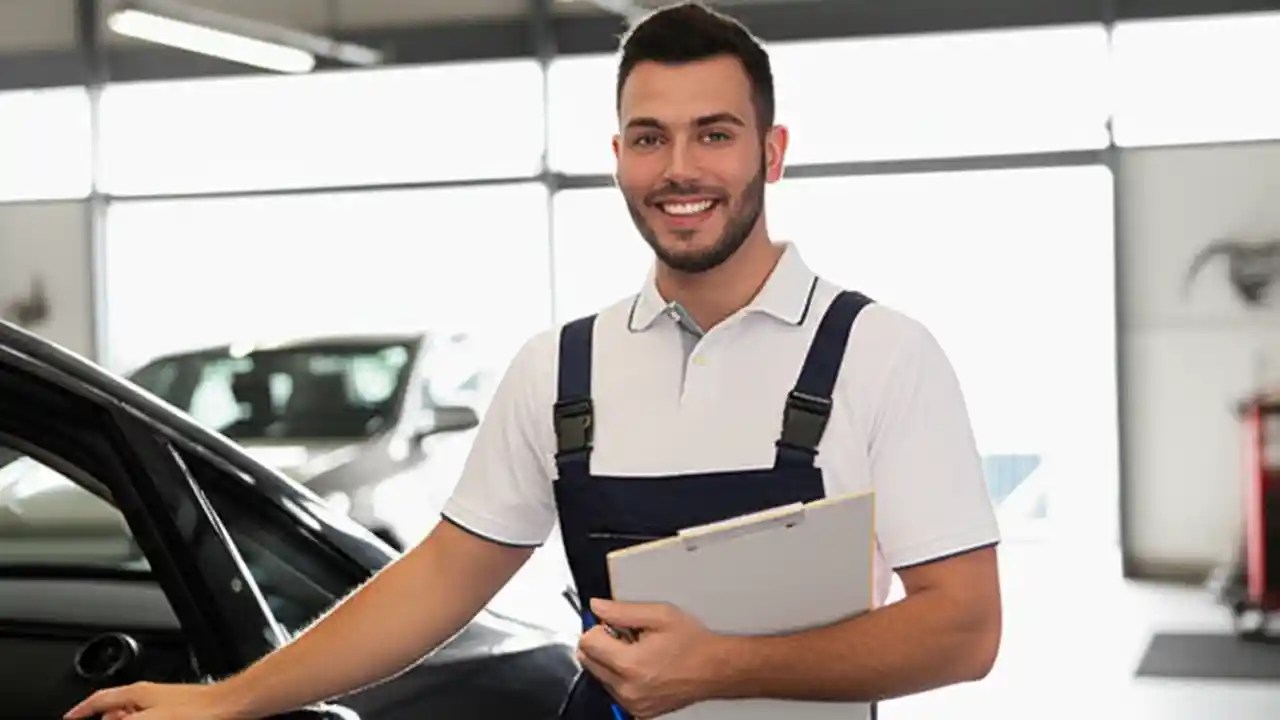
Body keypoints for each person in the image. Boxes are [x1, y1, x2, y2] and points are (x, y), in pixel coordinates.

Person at [65, 3, 1002, 719]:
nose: (680, 168)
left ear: (773, 151)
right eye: (650, 137)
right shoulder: (561, 371)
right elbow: (438, 580)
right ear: (619, 157)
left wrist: (724, 665)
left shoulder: (882, 356)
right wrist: (224, 700)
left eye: (714, 133)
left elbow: (964, 628)